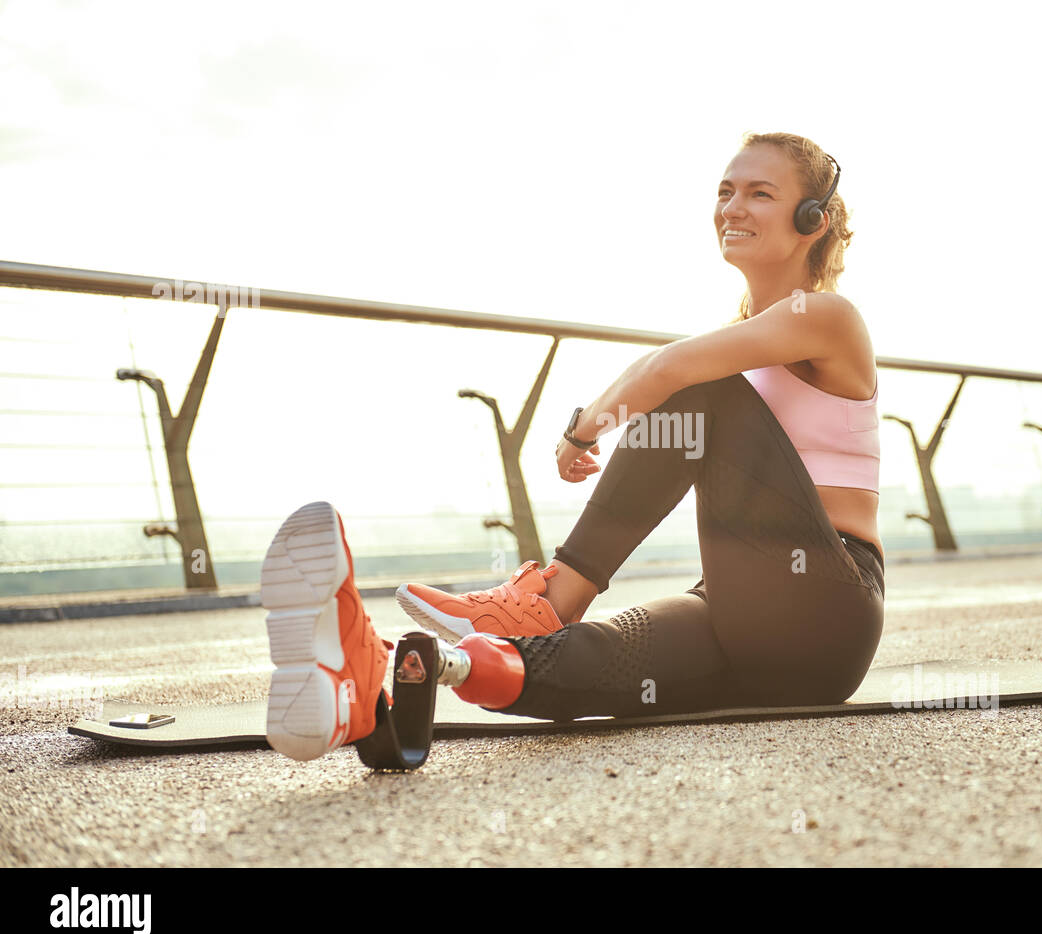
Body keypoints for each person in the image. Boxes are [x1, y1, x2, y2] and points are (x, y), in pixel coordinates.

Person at [260, 132, 886, 762]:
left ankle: (553, 597)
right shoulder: (743, 345)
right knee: (591, 659)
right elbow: (669, 371)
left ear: (814, 220)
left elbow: (670, 371)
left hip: (826, 605)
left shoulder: (829, 317)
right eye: (725, 191)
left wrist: (583, 429)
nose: (732, 207)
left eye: (759, 193)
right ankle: (377, 681)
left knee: (699, 388)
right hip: (744, 619)